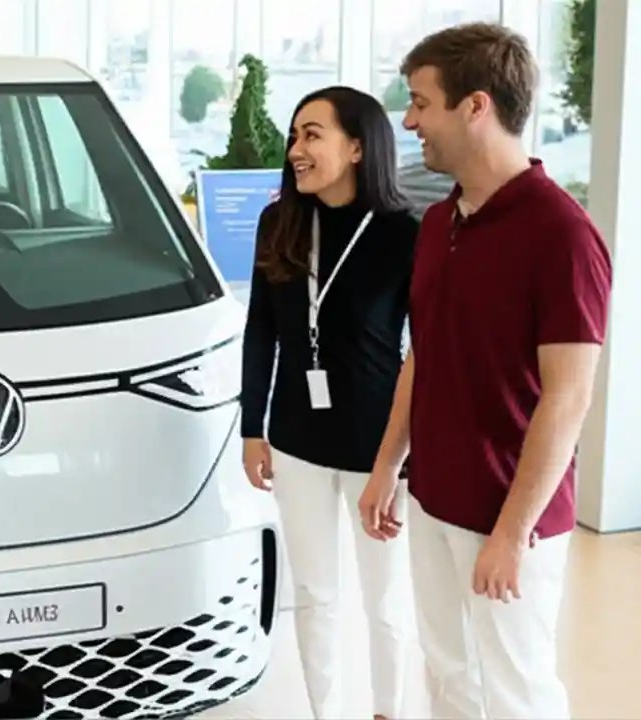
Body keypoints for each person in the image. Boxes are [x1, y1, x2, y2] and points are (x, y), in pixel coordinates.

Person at [358, 22, 612, 720]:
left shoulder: (562, 235)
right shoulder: (440, 223)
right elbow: (425, 352)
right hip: (435, 496)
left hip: (509, 515)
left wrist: (510, 532)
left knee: (516, 691)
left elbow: (569, 398)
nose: (407, 121)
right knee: (449, 680)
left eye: (419, 102)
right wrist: (389, 465)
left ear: (475, 106)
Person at [240, 85, 419, 720]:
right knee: (315, 592)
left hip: (381, 447)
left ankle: (386, 711)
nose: (296, 150)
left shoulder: (403, 233)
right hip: (296, 439)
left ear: (357, 146)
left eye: (312, 135)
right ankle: (326, 711)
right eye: (295, 136)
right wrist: (251, 428)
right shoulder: (279, 222)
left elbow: (423, 353)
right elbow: (261, 327)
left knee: (385, 599)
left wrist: (402, 458)